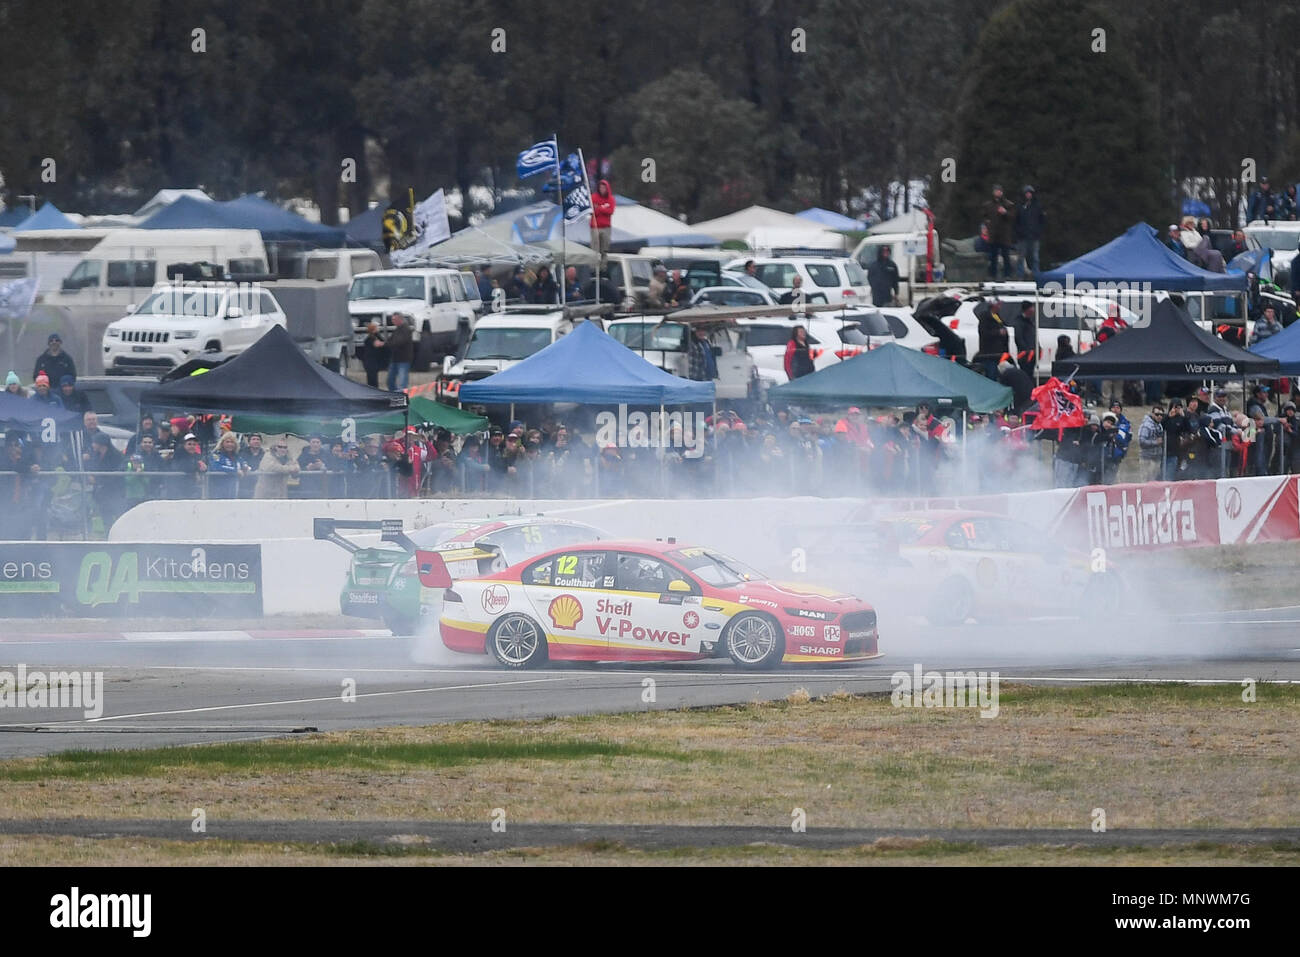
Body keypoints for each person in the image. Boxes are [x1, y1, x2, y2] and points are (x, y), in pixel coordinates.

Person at [86, 432, 126, 526]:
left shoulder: (117, 456)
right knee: (105, 516)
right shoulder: (96, 455)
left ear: (101, 444)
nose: (93, 445)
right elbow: (93, 467)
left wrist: (99, 481)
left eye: (95, 443)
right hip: (102, 493)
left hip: (115, 492)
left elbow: (116, 475)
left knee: (118, 516)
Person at [982, 185, 1016, 279]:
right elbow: (984, 217)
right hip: (993, 235)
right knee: (993, 256)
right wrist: (986, 225)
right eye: (996, 191)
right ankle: (992, 275)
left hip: (1004, 235)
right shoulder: (988, 205)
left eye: (1000, 191)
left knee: (1006, 256)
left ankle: (1007, 275)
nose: (998, 193)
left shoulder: (1008, 204)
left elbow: (1013, 217)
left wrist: (1005, 213)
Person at [207, 432, 250, 499]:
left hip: (234, 490)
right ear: (222, 443)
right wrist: (235, 471)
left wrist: (246, 467)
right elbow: (216, 467)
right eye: (227, 442)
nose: (229, 444)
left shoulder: (237, 456)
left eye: (232, 442)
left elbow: (244, 464)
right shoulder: (216, 455)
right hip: (218, 491)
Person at [1015, 185, 1046, 277]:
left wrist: (1038, 231)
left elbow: (1042, 220)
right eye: (1026, 193)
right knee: (1021, 257)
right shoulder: (1020, 206)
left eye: (1030, 193)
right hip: (1022, 236)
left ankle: (1036, 274)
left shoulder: (1038, 206)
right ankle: (1020, 275)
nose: (1028, 195)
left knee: (1035, 257)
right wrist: (1019, 232)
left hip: (1034, 236)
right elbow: (1016, 221)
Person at [974, 299, 1009, 379]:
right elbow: (983, 332)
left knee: (998, 374)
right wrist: (998, 332)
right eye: (998, 305)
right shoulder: (985, 317)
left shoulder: (997, 316)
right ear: (993, 306)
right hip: (989, 352)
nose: (1000, 307)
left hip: (999, 352)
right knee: (991, 373)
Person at [590, 179, 615, 270]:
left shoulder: (611, 199)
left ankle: (603, 268)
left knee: (604, 249)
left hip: (606, 227)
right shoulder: (593, 197)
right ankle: (594, 268)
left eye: (604, 187)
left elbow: (610, 211)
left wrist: (599, 208)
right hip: (595, 227)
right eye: (601, 187)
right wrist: (603, 209)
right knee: (595, 248)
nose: (602, 189)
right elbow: (592, 211)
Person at [1137, 404, 1166, 482]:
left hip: (1156, 457)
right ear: (1152, 414)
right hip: (1147, 458)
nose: (1159, 416)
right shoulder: (1146, 425)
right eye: (1157, 414)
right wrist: (1155, 442)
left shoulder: (1159, 425)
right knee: (1145, 480)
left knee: (1153, 480)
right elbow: (1141, 441)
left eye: (1161, 415)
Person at [385, 313, 413, 393]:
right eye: (392, 319)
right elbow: (390, 341)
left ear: (400, 319)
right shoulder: (397, 330)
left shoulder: (406, 330)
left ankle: (401, 398)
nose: (393, 321)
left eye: (394, 319)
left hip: (404, 360)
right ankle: (394, 396)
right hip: (395, 359)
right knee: (390, 381)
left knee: (402, 383)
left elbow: (399, 342)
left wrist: (386, 344)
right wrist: (384, 343)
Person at [360, 321, 387, 388]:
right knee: (372, 380)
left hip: (372, 361)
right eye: (377, 327)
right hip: (370, 362)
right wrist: (388, 343)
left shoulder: (374, 337)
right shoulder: (371, 339)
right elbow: (378, 344)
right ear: (374, 329)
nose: (378, 329)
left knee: (372, 378)